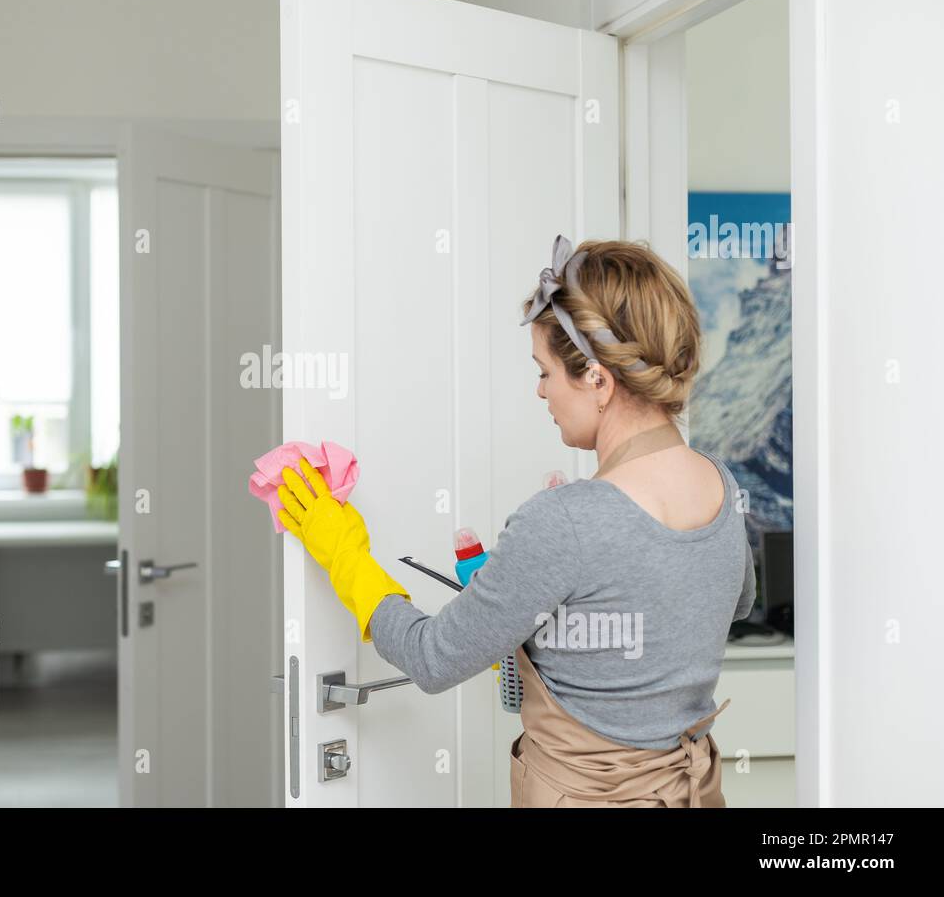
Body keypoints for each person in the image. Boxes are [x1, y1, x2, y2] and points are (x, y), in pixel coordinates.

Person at [274, 235, 756, 808]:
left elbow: (432, 658)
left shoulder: (565, 520)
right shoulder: (722, 485)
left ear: (598, 380)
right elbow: (732, 601)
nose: (540, 391)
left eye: (545, 371)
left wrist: (345, 555)